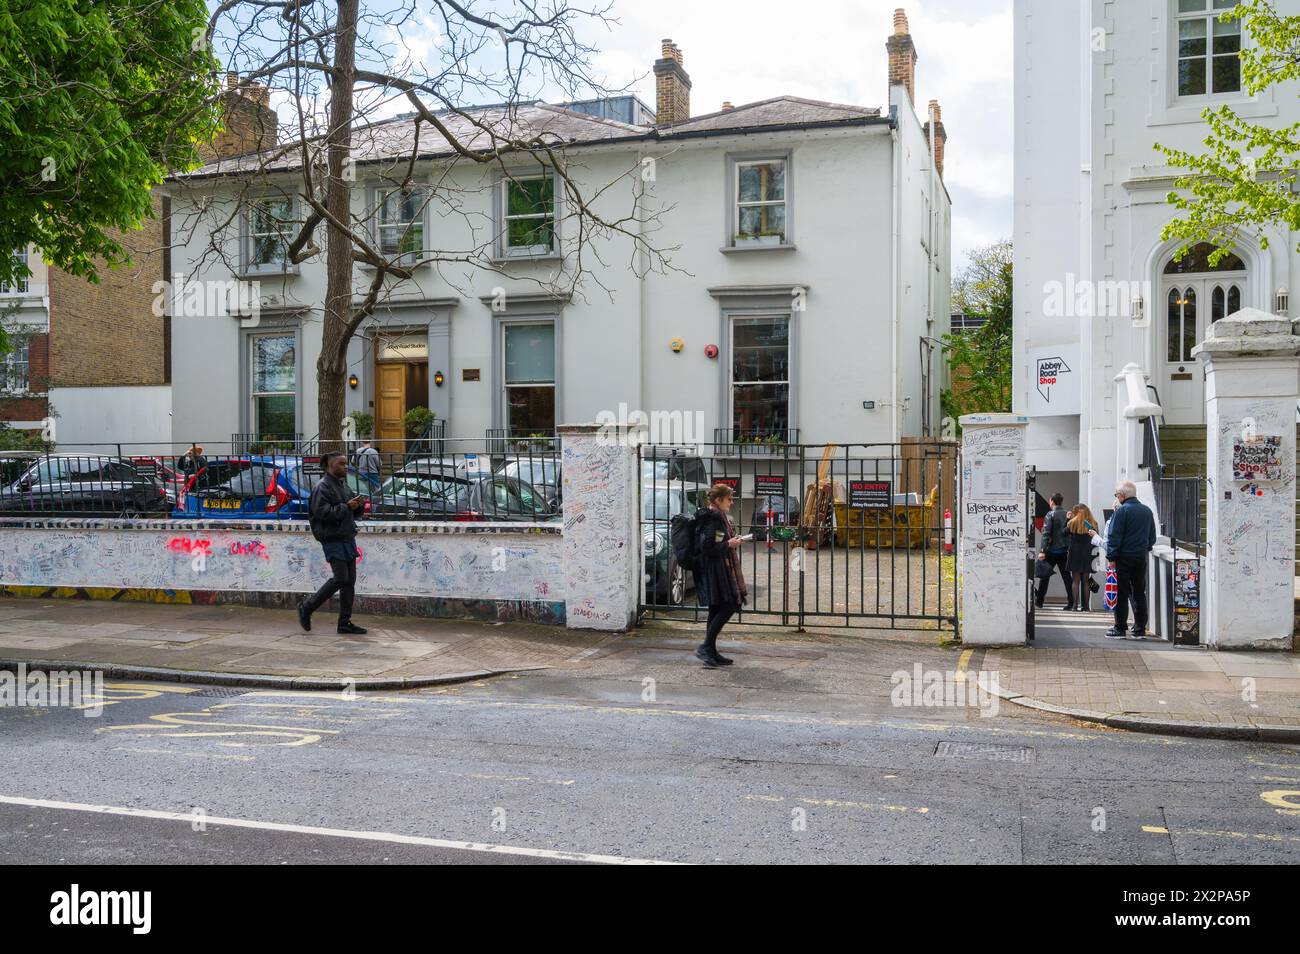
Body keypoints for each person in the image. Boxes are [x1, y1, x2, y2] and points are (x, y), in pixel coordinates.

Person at [298, 451, 367, 635]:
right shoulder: (322, 487)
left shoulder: (343, 485)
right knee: (340, 578)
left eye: (346, 464)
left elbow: (350, 511)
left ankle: (344, 622)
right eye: (341, 464)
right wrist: (347, 507)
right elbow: (323, 513)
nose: (345, 467)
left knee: (349, 581)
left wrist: (359, 505)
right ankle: (307, 607)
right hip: (332, 538)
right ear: (330, 466)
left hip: (346, 536)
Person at [693, 483, 749, 668]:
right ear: (718, 500)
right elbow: (707, 547)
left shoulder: (719, 518)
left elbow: (717, 541)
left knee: (716, 608)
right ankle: (706, 647)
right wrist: (728, 545)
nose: (731, 502)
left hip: (719, 567)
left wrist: (730, 542)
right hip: (714, 570)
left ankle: (711, 651)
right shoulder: (713, 519)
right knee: (729, 605)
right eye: (729, 499)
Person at [1104, 480, 1157, 639]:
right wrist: (1144, 548)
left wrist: (1111, 557)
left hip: (1123, 557)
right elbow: (1152, 537)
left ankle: (1120, 628)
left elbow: (1114, 536)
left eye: (1116, 495)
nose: (1117, 497)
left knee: (1122, 591)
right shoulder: (1147, 511)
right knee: (1139, 592)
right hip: (1140, 557)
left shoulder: (1121, 512)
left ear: (1122, 495)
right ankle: (1140, 628)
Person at [1035, 492, 1072, 609]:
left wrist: (1042, 550)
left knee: (1044, 577)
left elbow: (1046, 534)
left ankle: (1039, 601)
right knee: (1067, 578)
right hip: (1064, 551)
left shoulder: (1050, 514)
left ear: (1051, 501)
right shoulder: (1068, 514)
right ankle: (1071, 602)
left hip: (1051, 551)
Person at [1066, 504, 1099, 612]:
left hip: (1074, 553)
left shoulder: (1072, 523)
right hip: (1087, 553)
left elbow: (1062, 533)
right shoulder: (1093, 523)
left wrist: (1067, 520)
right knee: (1085, 580)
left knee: (1075, 581)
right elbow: (1096, 538)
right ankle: (1086, 607)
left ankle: (1075, 606)